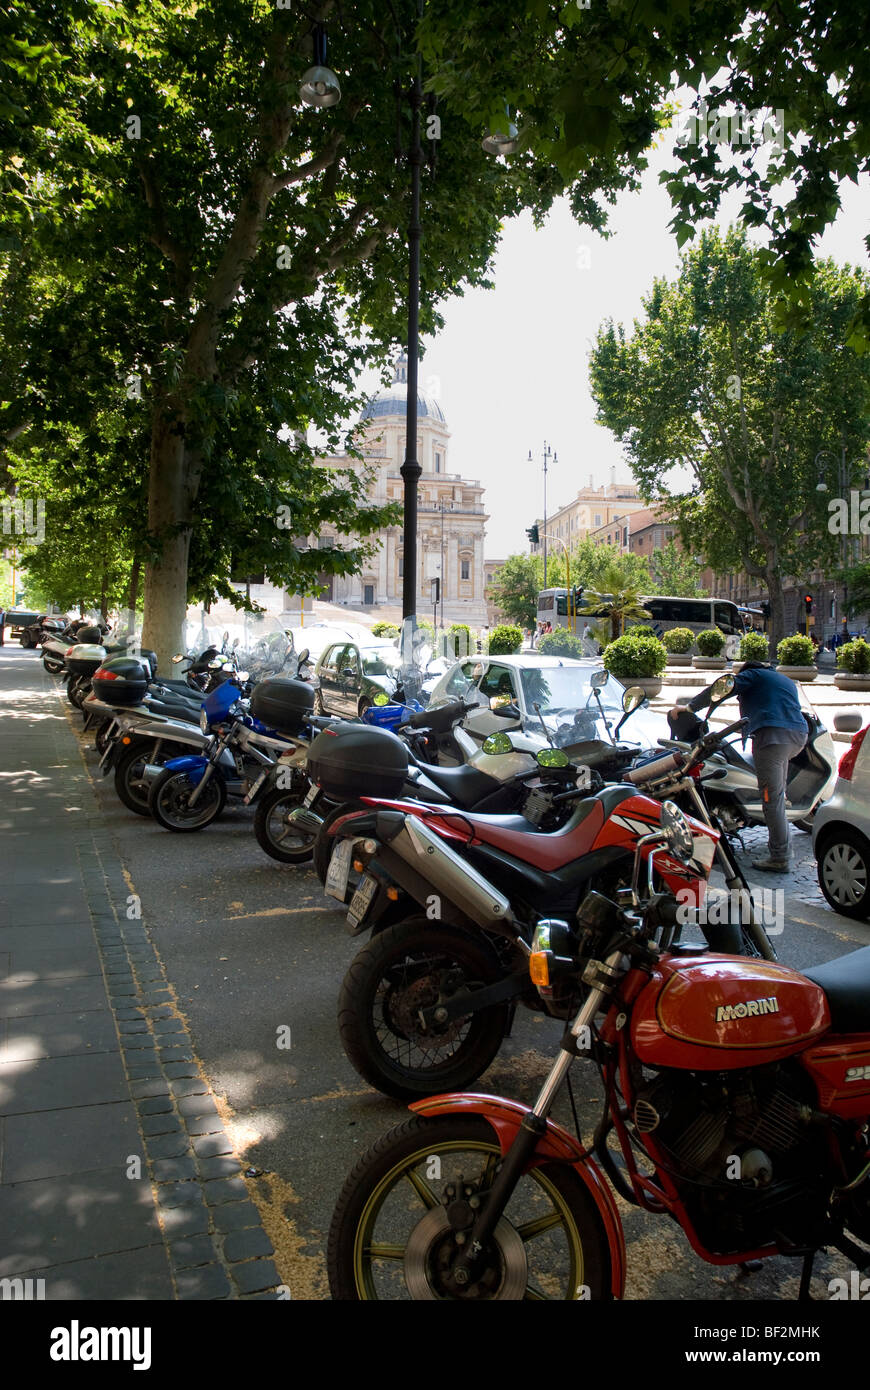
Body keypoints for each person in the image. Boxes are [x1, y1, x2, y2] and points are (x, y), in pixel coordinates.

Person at [675, 660, 807, 873]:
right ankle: (783, 847)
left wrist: (689, 707)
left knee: (770, 799)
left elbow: (723, 687)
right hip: (797, 737)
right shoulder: (783, 679)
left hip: (771, 737)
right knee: (777, 796)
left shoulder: (753, 675)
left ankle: (780, 856)